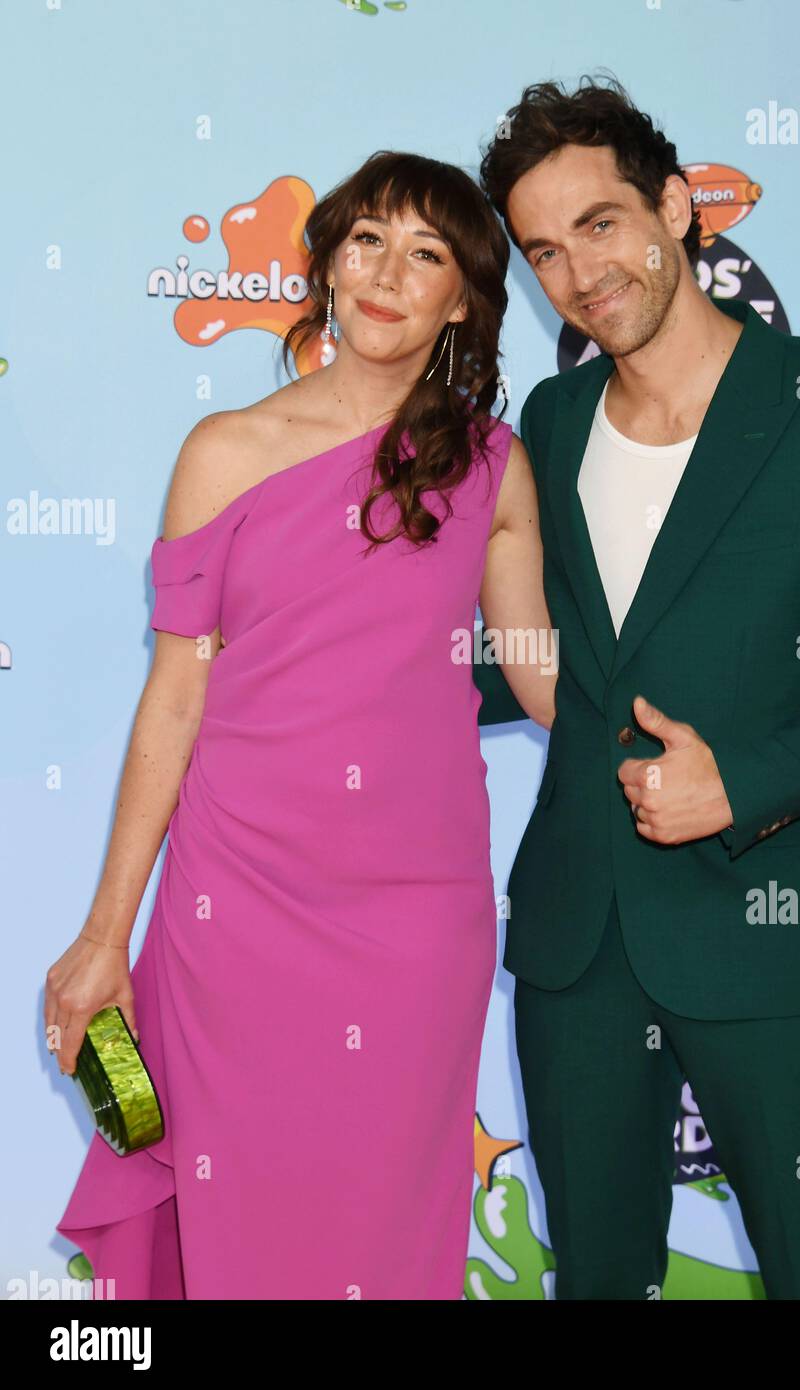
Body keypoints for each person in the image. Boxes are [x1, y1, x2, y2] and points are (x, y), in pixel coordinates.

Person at [472, 75, 800, 1299]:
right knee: (594, 1278)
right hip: (574, 943)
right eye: (543, 249)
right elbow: (528, 657)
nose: (579, 273)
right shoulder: (547, 414)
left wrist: (738, 782)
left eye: (599, 224)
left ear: (677, 207)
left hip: (766, 930)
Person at [47, 150, 556, 1300]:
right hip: (238, 904)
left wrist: (734, 710)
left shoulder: (490, 466)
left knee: (385, 1213)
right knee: (241, 1209)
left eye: (427, 253)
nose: (386, 273)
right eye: (366, 238)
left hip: (416, 914)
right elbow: (175, 697)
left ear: (466, 297)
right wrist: (102, 934)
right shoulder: (222, 453)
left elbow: (541, 679)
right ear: (326, 259)